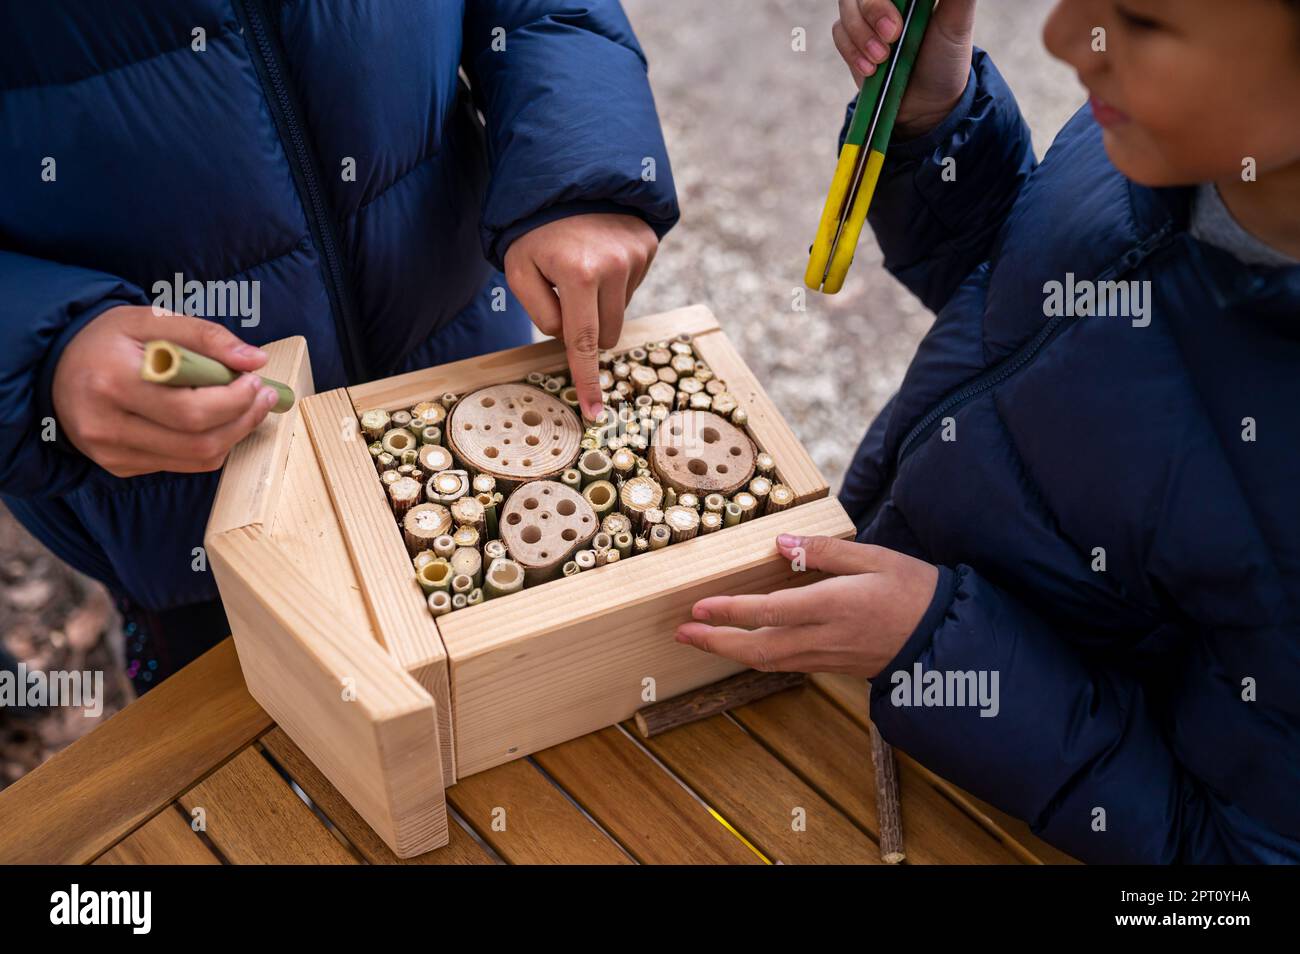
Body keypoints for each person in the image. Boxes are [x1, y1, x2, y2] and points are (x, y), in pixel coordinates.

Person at [675, 0, 1300, 863]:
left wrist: (944, 652)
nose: (1059, 38)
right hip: (882, 627)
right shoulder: (1189, 134)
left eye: (1146, 21)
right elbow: (1024, 311)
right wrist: (940, 121)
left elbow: (1226, 872)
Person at [0, 1, 677, 693]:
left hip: (458, 366)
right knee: (249, 722)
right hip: (187, 503)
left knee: (519, 686)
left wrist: (578, 166)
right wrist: (36, 356)